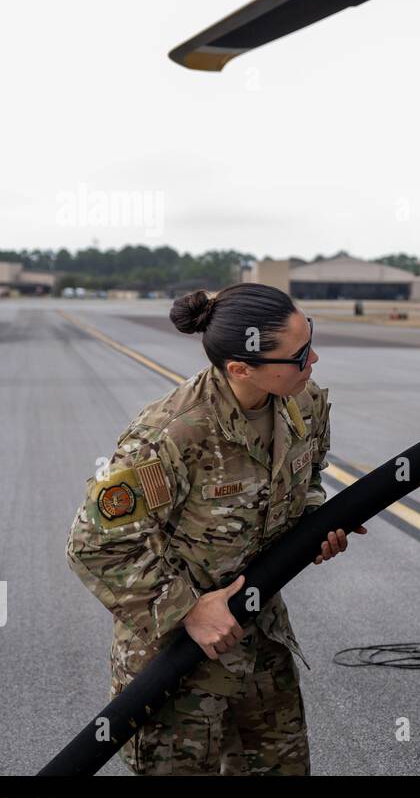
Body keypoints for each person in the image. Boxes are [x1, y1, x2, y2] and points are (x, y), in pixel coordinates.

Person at [66, 282, 365, 773]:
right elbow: (93, 547)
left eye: (309, 337)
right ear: (241, 368)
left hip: (261, 642)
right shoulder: (171, 435)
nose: (315, 360)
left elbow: (307, 479)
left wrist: (316, 526)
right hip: (175, 666)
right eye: (300, 355)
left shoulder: (302, 403)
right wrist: (188, 610)